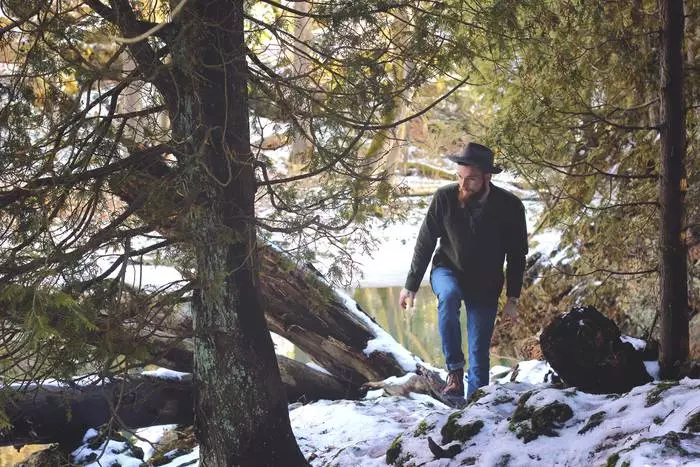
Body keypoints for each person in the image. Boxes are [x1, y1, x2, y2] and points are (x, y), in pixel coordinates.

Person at [399, 142, 528, 399]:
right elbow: (425, 242)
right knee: (448, 297)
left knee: (479, 353)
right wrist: (411, 284)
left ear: (487, 177)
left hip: (486, 283)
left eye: (470, 179)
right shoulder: (444, 198)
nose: (463, 184)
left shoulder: (511, 206)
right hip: (448, 269)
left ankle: (475, 407)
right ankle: (454, 373)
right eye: (459, 177)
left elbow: (517, 255)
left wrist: (513, 297)